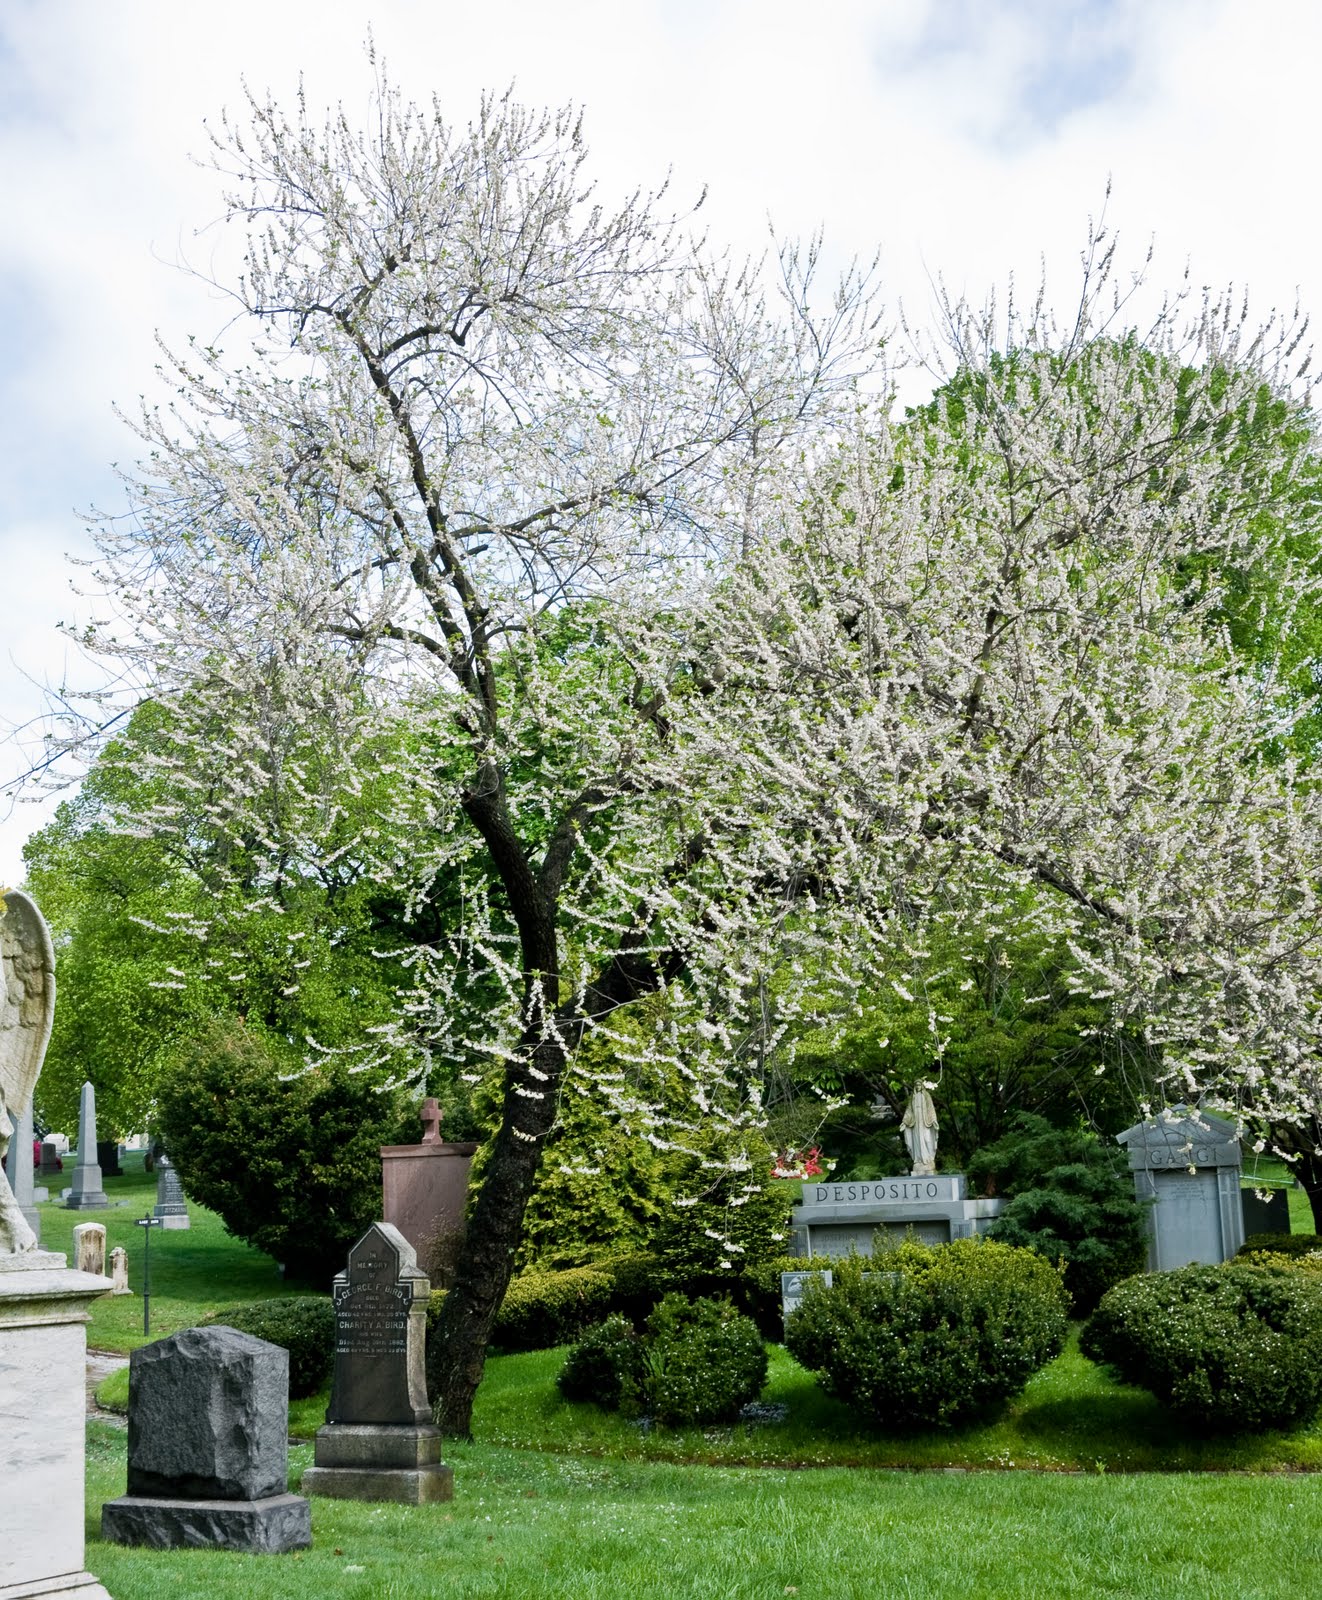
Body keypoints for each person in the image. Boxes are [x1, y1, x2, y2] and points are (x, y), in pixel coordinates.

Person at [901, 1086, 939, 1176]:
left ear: (921, 1086)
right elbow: (909, 1111)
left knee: (927, 1140)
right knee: (917, 1141)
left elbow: (931, 1108)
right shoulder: (913, 1097)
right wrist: (904, 1122)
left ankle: (928, 1160)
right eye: (916, 1085)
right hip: (916, 1123)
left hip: (925, 1121)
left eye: (919, 1085)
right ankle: (918, 1160)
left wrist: (934, 1120)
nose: (917, 1087)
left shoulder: (926, 1095)